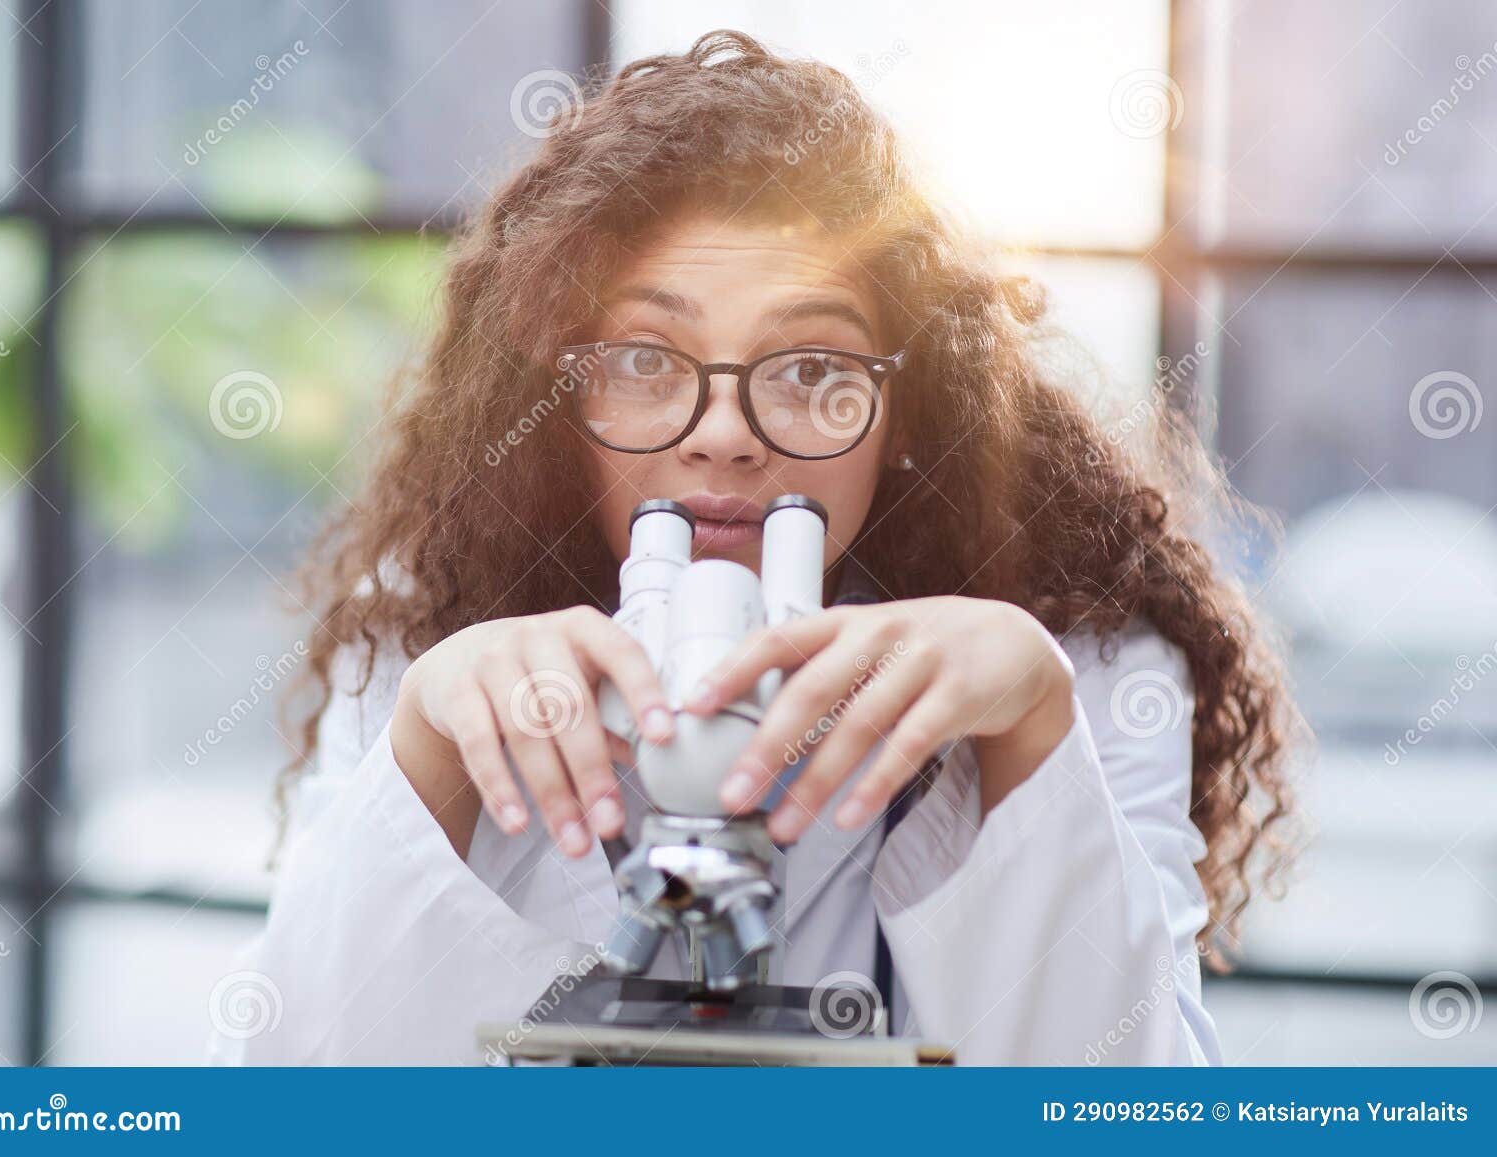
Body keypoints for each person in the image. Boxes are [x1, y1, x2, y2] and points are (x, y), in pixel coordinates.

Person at [209, 30, 1302, 1066]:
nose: (723, 433)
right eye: (645, 359)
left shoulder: (1093, 672)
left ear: (908, 407)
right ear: (550, 396)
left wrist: (1026, 741)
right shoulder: (424, 654)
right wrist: (429, 762)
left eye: (812, 368)